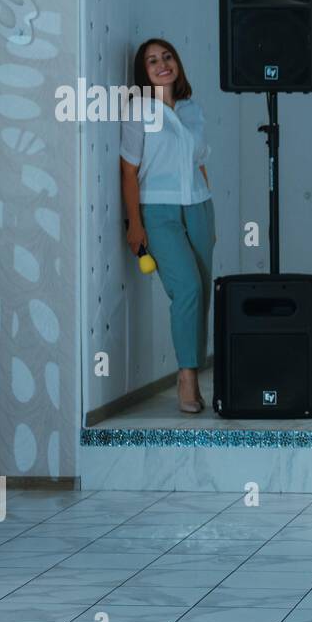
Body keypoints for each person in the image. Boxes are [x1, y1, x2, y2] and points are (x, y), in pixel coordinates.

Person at [120, 38, 215, 414]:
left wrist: (209, 209)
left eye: (168, 57)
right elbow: (128, 171)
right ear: (143, 72)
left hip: (199, 207)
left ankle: (197, 369)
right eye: (152, 61)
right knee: (187, 288)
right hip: (157, 212)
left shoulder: (193, 109)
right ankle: (186, 376)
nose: (162, 64)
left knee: (203, 291)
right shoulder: (137, 110)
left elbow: (200, 161)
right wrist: (134, 224)